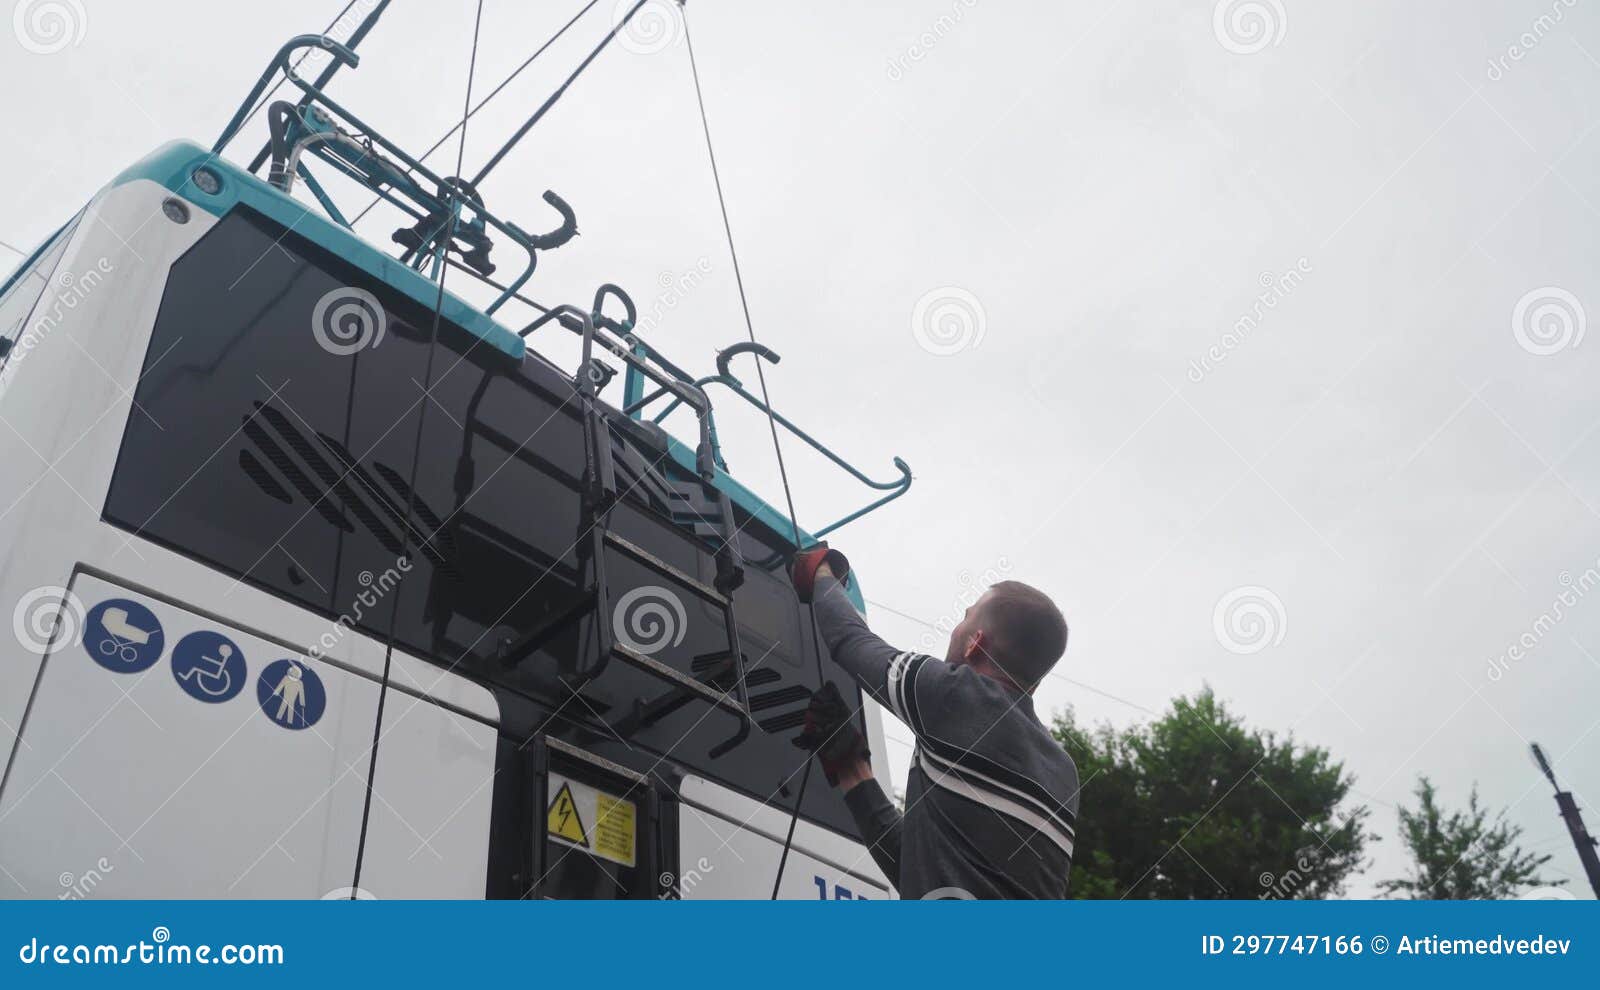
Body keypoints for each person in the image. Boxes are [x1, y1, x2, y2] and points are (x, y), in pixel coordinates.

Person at [790, 545, 1080, 899]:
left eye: (965, 617)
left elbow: (850, 641)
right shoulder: (1064, 774)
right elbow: (917, 872)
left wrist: (822, 573)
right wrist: (854, 772)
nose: (955, 629)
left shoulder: (958, 695)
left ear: (975, 643)